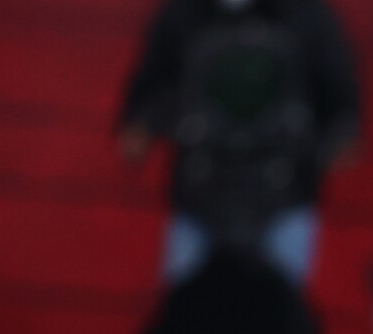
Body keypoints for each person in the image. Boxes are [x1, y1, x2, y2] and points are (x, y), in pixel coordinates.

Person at [117, 0, 360, 289]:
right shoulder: (184, 12)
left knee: (280, 316)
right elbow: (151, 85)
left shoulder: (309, 15)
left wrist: (340, 137)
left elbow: (341, 98)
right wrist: (142, 124)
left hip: (285, 197)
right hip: (199, 199)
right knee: (189, 314)